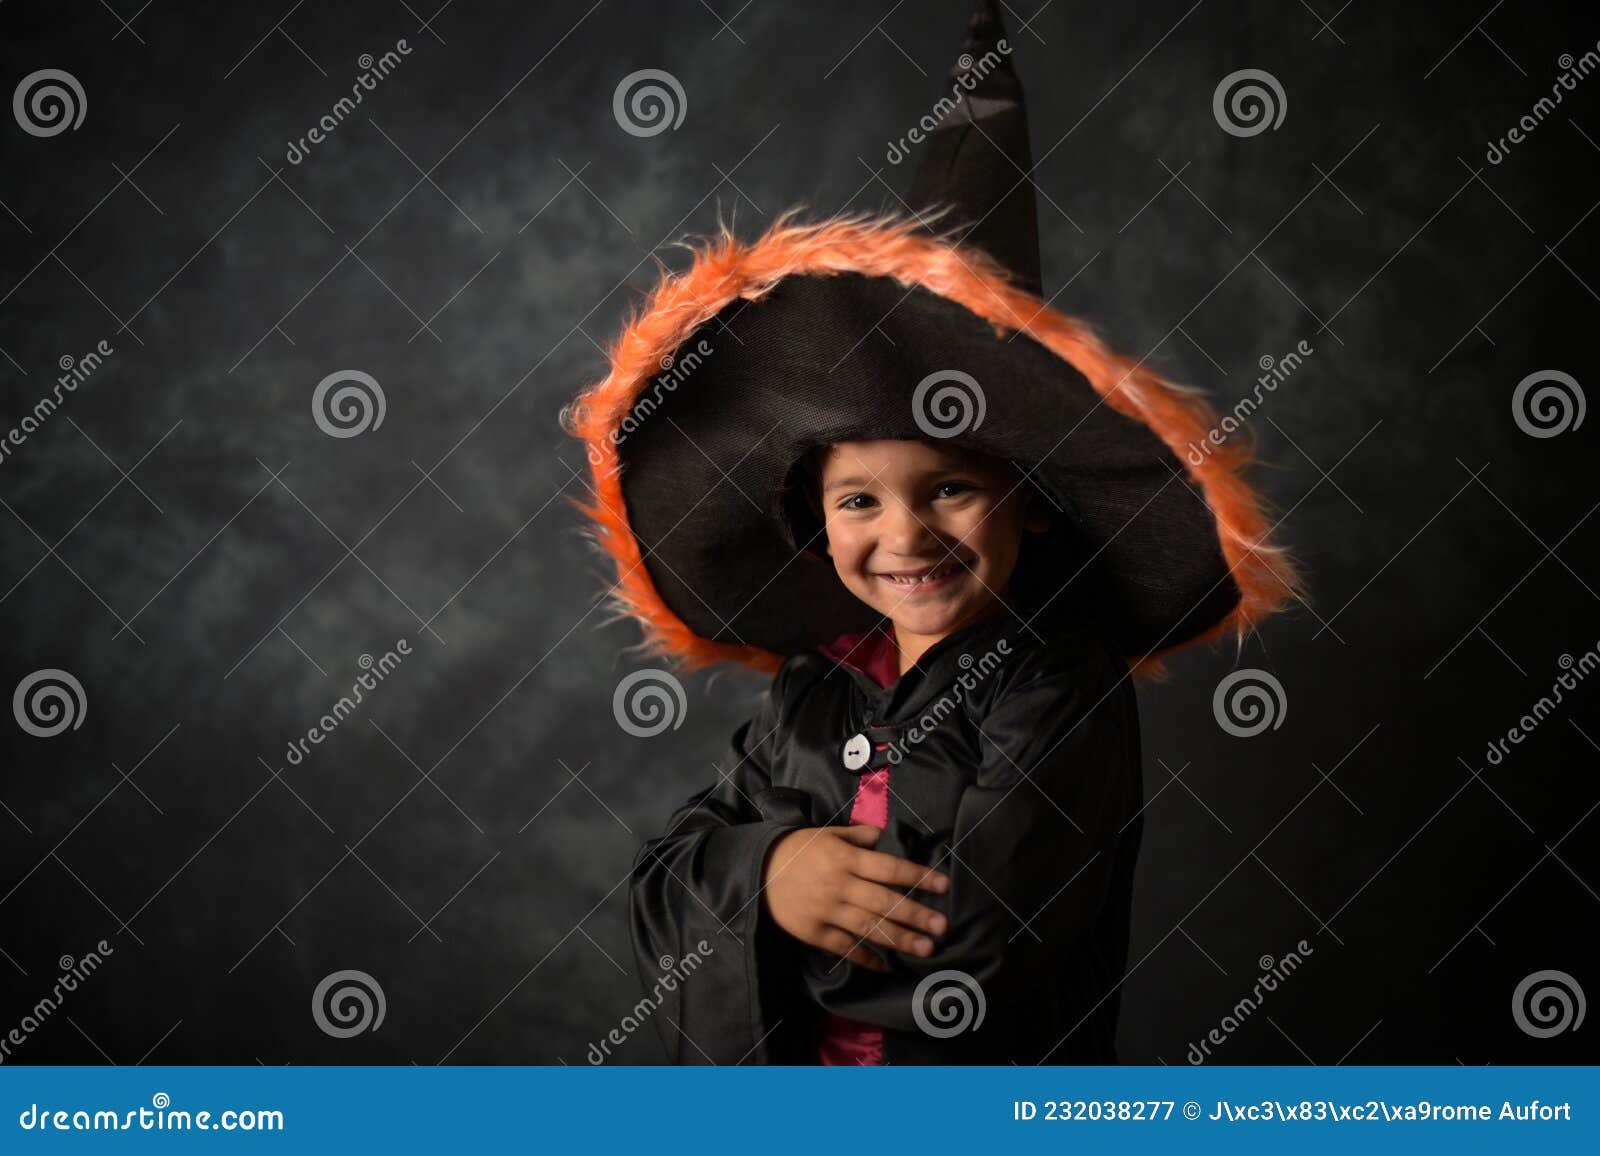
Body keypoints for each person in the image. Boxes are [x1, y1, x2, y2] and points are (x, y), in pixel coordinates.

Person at [560, 0, 1305, 1064]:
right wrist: (773, 878)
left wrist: (772, 918)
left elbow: (970, 955)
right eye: (859, 499)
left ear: (1034, 497)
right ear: (815, 523)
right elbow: (660, 887)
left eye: (950, 487)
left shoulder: (1054, 688)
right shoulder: (814, 690)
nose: (904, 534)